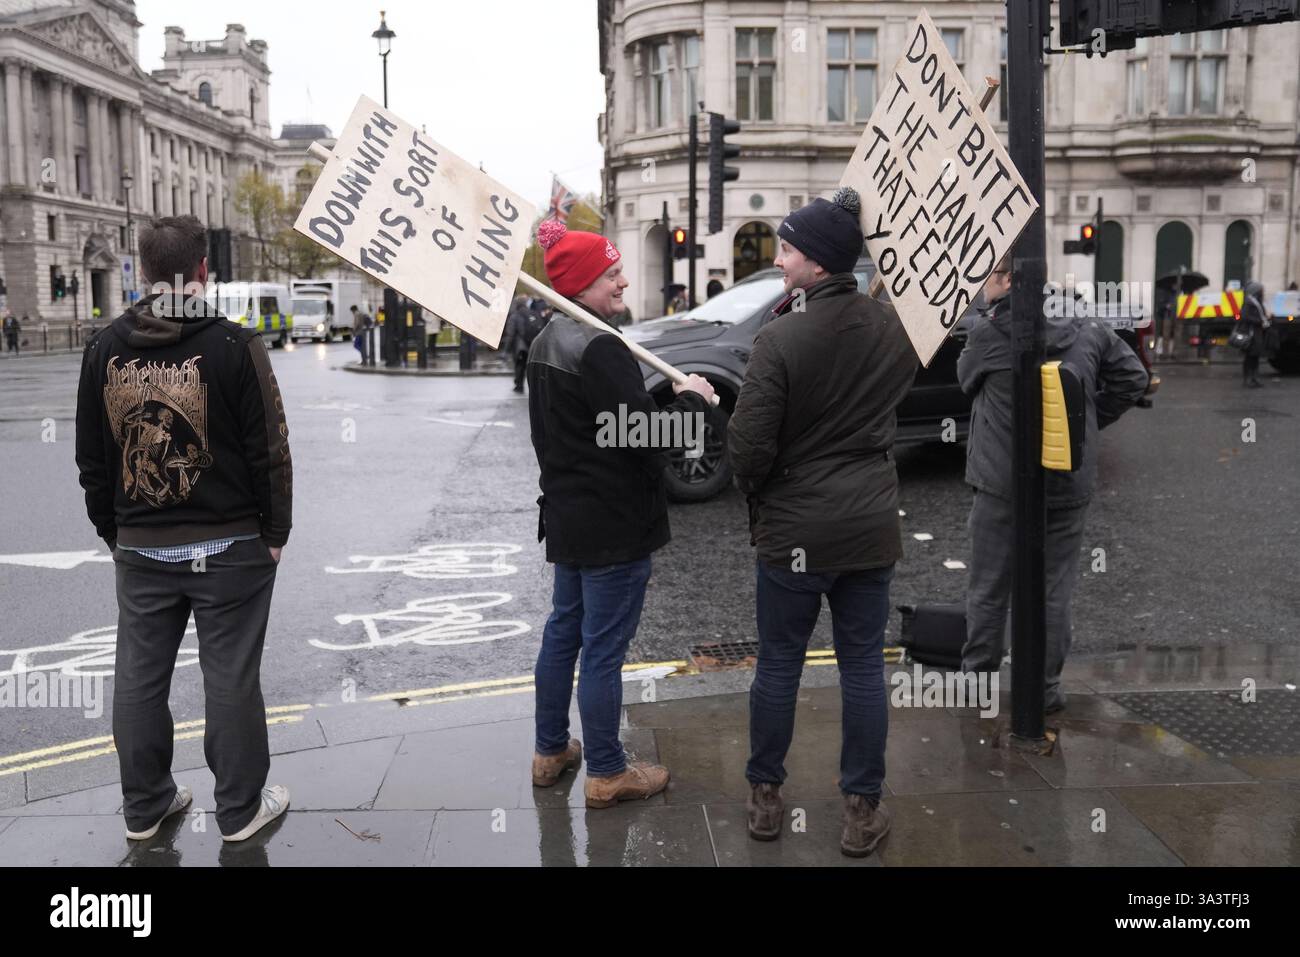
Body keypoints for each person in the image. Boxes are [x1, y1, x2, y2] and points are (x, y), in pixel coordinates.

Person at [75, 214, 293, 843]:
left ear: (142, 271)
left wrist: (113, 532)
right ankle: (239, 810)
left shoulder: (103, 348)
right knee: (229, 677)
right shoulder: (234, 344)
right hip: (230, 546)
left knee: (140, 679)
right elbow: (270, 450)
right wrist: (275, 531)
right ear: (203, 270)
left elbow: (93, 457)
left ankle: (146, 809)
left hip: (142, 545)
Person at [727, 187, 916, 858]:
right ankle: (862, 809)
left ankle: (765, 799)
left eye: (787, 248)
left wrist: (763, 489)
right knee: (862, 663)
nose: (778, 259)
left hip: (795, 533)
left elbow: (747, 449)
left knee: (779, 662)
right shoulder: (895, 327)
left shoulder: (778, 337)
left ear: (818, 261)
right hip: (868, 524)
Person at [526, 219, 715, 809]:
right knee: (603, 649)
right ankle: (607, 771)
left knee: (564, 635)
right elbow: (644, 436)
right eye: (612, 275)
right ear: (583, 284)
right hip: (612, 523)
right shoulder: (600, 345)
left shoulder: (548, 341)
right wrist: (693, 401)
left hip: (569, 517)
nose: (624, 282)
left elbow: (598, 422)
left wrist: (654, 395)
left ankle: (550, 750)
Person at [958, 252, 1148, 714]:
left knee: (989, 587)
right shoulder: (1086, 324)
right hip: (1067, 479)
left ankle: (977, 684)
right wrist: (1082, 422)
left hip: (1003, 483)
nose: (983, 288)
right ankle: (1043, 690)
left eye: (987, 278)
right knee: (1054, 589)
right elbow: (1133, 377)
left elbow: (966, 380)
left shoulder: (989, 332)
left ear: (1004, 279)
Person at [1240, 280, 1270, 388]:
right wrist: (1260, 321)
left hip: (1257, 333)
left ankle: (1254, 378)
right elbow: (1245, 317)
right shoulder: (1249, 302)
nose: (1263, 292)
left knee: (1255, 357)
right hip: (1251, 333)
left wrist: (1266, 319)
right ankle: (1248, 379)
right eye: (1261, 291)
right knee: (1249, 357)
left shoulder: (1257, 302)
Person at [501, 295, 533, 393]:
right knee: (530, 366)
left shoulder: (514, 316)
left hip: (519, 346)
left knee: (519, 365)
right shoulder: (531, 313)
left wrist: (506, 350)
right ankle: (532, 386)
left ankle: (519, 385)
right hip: (531, 344)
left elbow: (510, 334)